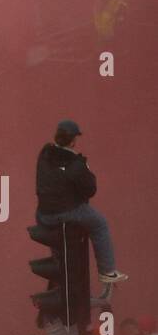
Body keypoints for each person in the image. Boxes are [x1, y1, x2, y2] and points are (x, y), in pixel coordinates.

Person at [35, 119, 126, 285]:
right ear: (73, 141)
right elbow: (91, 190)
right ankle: (107, 271)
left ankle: (59, 273)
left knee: (59, 244)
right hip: (66, 213)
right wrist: (83, 164)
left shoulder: (45, 152)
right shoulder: (76, 164)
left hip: (43, 214)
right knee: (99, 224)